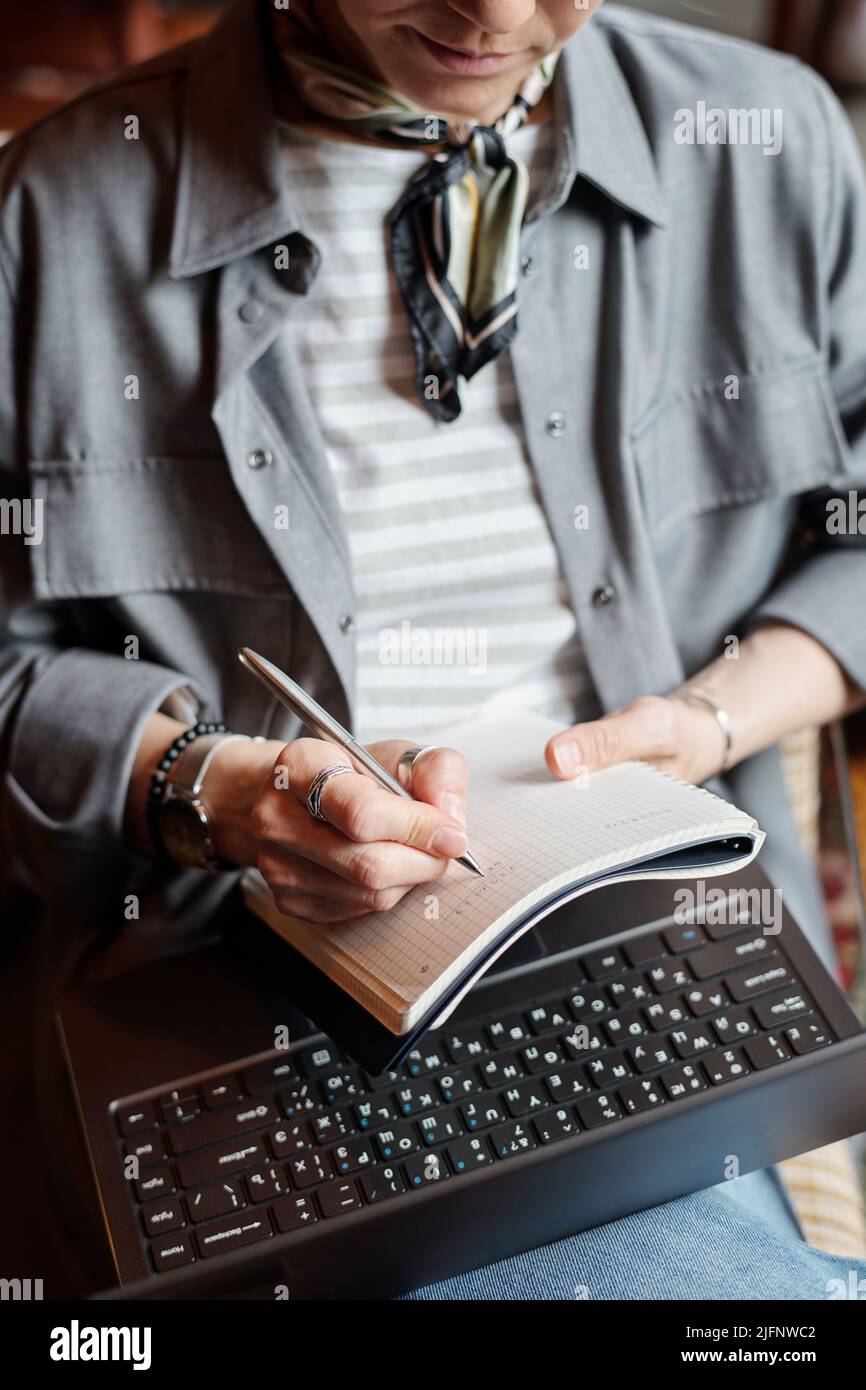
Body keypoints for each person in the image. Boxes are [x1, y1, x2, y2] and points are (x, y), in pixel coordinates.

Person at [2, 0, 866, 1300]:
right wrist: (215, 788)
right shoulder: (51, 213)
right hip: (215, 949)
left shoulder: (770, 144)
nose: (498, 15)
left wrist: (705, 722)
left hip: (650, 923)